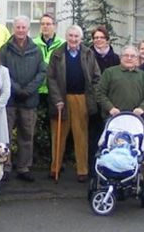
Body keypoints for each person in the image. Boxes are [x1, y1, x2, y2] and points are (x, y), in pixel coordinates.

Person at [47, 24, 100, 182]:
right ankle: (55, 168)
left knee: (81, 135)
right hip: (62, 99)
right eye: (70, 36)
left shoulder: (88, 53)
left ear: (81, 38)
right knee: (58, 135)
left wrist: (93, 96)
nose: (73, 39)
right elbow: (51, 78)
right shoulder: (57, 54)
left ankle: (82, 170)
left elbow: (97, 77)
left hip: (81, 98)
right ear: (66, 36)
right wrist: (57, 99)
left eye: (76, 36)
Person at [0, 15, 45, 182]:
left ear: (28, 29)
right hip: (10, 100)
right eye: (17, 27)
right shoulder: (5, 49)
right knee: (6, 136)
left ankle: (24, 167)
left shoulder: (36, 49)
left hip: (29, 100)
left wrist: (29, 90)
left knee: (27, 135)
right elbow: (1, 71)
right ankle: (5, 166)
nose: (20, 30)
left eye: (23, 27)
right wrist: (16, 89)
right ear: (13, 29)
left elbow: (42, 72)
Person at [88, 25, 119, 171]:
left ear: (107, 40)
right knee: (93, 137)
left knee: (109, 136)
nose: (98, 40)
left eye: (101, 37)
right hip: (92, 102)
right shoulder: (87, 55)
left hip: (110, 103)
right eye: (95, 38)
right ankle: (92, 168)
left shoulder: (115, 58)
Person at [95, 45, 144, 119]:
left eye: (132, 56)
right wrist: (110, 108)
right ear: (120, 57)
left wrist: (142, 108)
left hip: (137, 118)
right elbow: (100, 94)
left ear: (137, 59)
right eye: (126, 55)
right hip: (113, 117)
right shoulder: (109, 73)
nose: (129, 58)